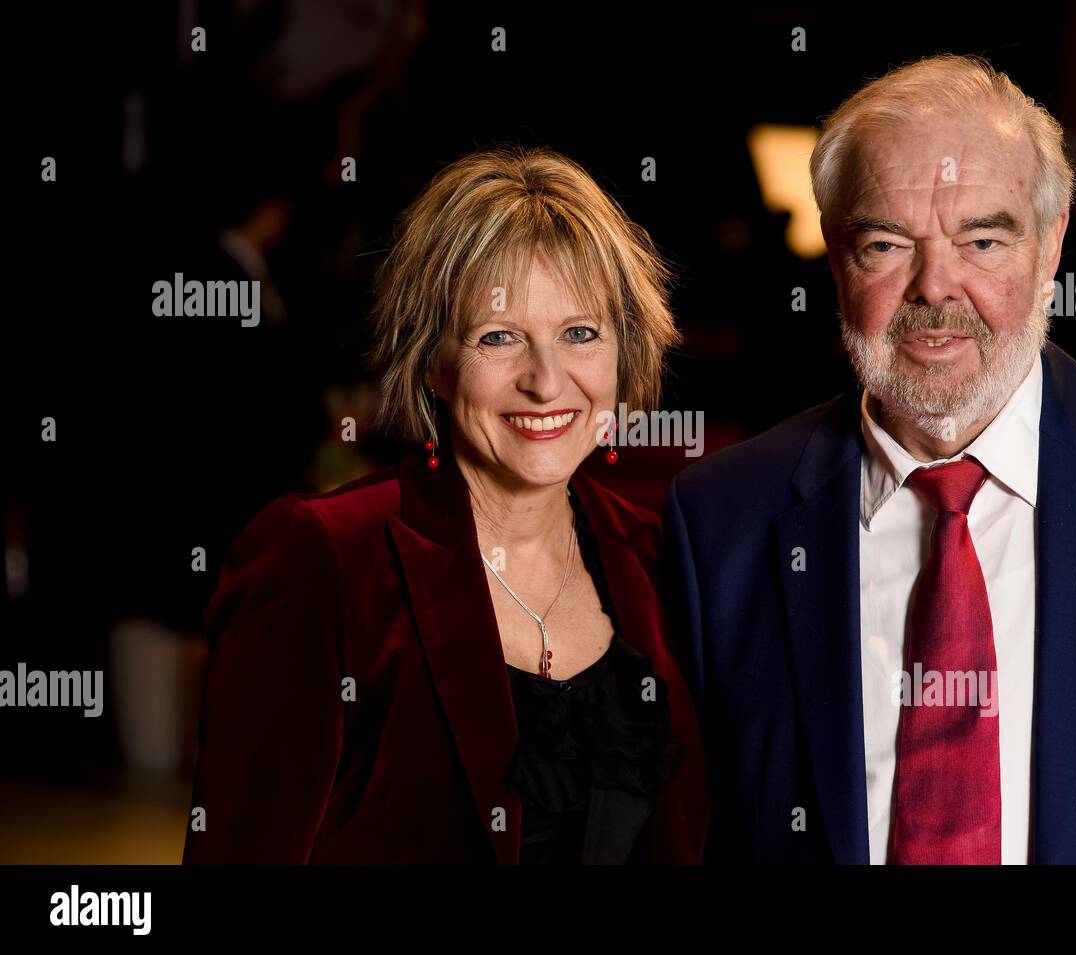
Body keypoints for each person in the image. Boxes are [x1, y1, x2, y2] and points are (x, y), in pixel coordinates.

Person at [663, 54, 1076, 864]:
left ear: (1051, 244)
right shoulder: (719, 519)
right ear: (833, 251)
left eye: (983, 239)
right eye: (888, 243)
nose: (936, 286)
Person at [183, 146, 708, 864]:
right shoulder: (324, 558)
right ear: (432, 359)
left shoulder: (659, 560)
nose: (546, 380)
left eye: (580, 333)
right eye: (499, 337)